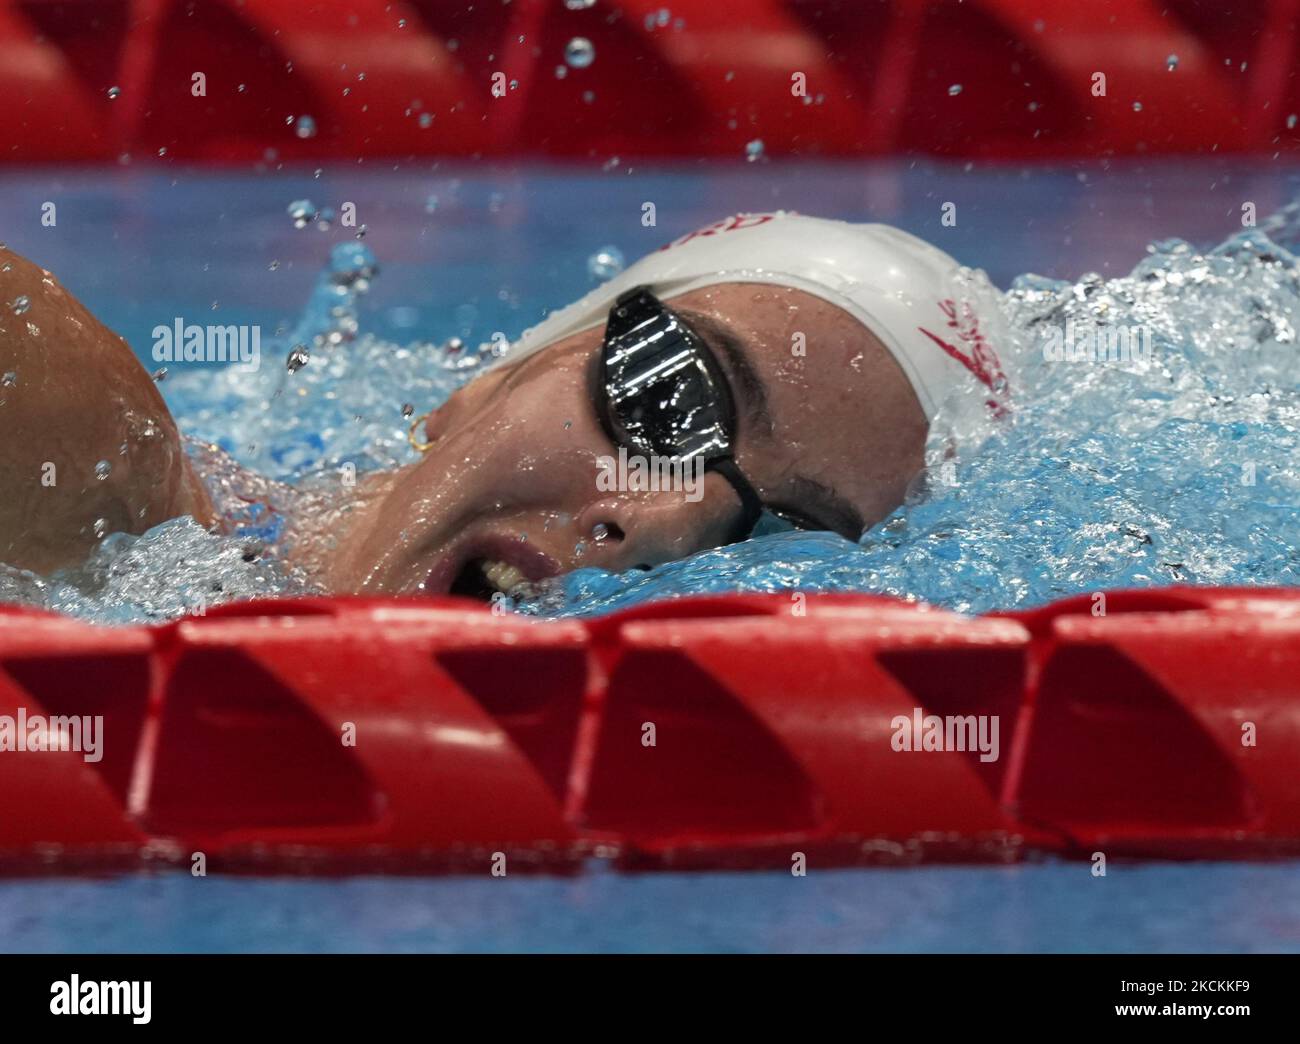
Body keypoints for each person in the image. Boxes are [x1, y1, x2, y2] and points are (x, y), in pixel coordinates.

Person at [0, 212, 1010, 601]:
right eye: (669, 397)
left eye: (784, 533)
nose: (653, 522)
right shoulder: (78, 447)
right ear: (488, 380)